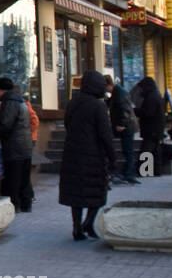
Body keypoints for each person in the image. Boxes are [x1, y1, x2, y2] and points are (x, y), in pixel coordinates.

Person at [59, 70, 116, 241]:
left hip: (72, 154)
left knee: (76, 194)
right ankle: (88, 223)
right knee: (97, 192)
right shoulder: (98, 105)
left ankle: (77, 227)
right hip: (93, 156)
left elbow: (67, 124)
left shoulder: (73, 102)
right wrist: (112, 156)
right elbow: (105, 134)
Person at [0, 77, 33, 212]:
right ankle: (26, 204)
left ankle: (13, 206)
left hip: (14, 147)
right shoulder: (20, 101)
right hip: (25, 145)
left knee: (12, 178)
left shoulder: (10, 102)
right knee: (24, 178)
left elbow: (5, 124)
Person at [105, 75, 138, 184]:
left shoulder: (119, 93)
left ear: (108, 85)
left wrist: (121, 124)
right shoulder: (117, 92)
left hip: (126, 126)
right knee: (127, 150)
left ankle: (129, 174)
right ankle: (127, 173)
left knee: (128, 150)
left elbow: (125, 109)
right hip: (127, 125)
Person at [132, 76, 165, 177]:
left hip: (150, 128)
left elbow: (148, 113)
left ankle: (145, 171)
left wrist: (135, 111)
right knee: (155, 150)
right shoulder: (156, 94)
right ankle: (156, 170)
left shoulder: (151, 97)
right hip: (156, 127)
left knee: (147, 150)